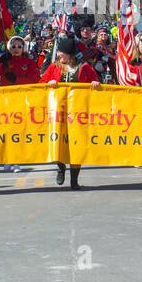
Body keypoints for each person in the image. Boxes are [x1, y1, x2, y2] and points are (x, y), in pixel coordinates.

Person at [40, 36, 101, 189]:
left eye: (61, 52)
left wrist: (95, 83)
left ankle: (74, 180)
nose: (58, 55)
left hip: (78, 113)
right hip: (59, 113)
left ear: (69, 54)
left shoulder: (84, 67)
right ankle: (61, 168)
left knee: (76, 145)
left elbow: (95, 82)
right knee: (60, 141)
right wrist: (49, 83)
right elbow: (40, 84)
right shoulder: (54, 67)